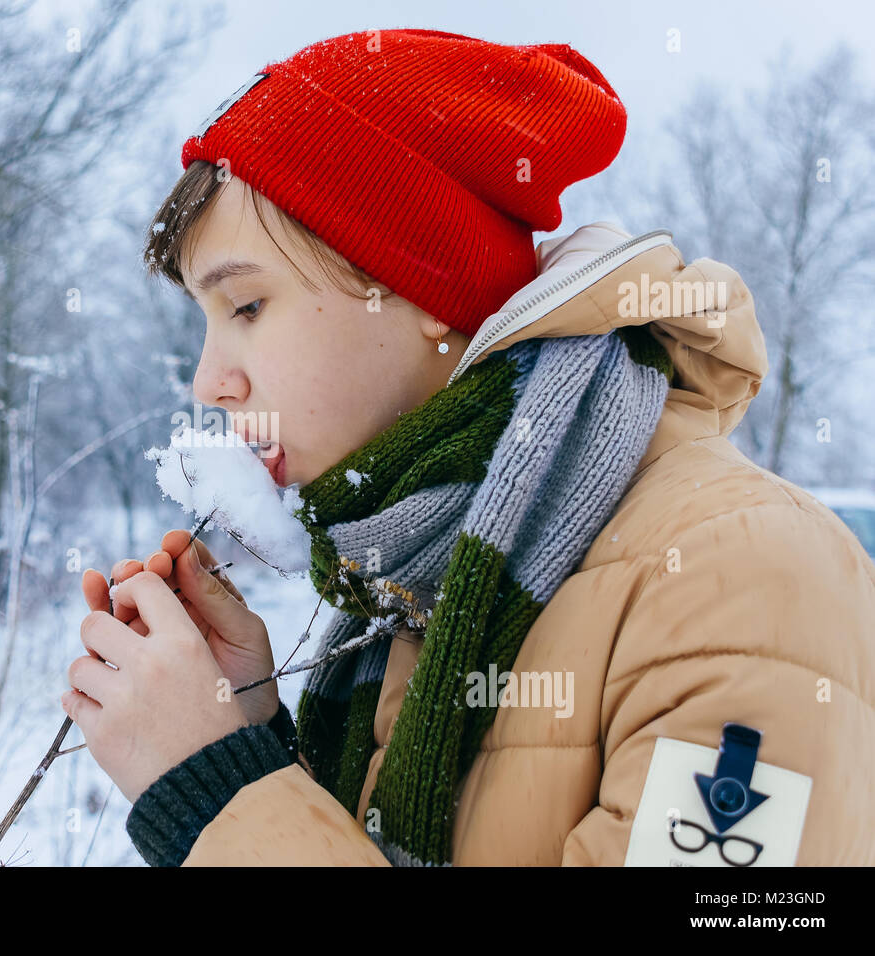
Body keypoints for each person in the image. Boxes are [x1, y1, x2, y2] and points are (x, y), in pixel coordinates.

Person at [60, 29, 875, 866]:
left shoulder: (744, 577)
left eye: (247, 306)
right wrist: (251, 737)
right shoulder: (421, 585)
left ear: (417, 288)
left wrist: (221, 793)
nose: (208, 381)